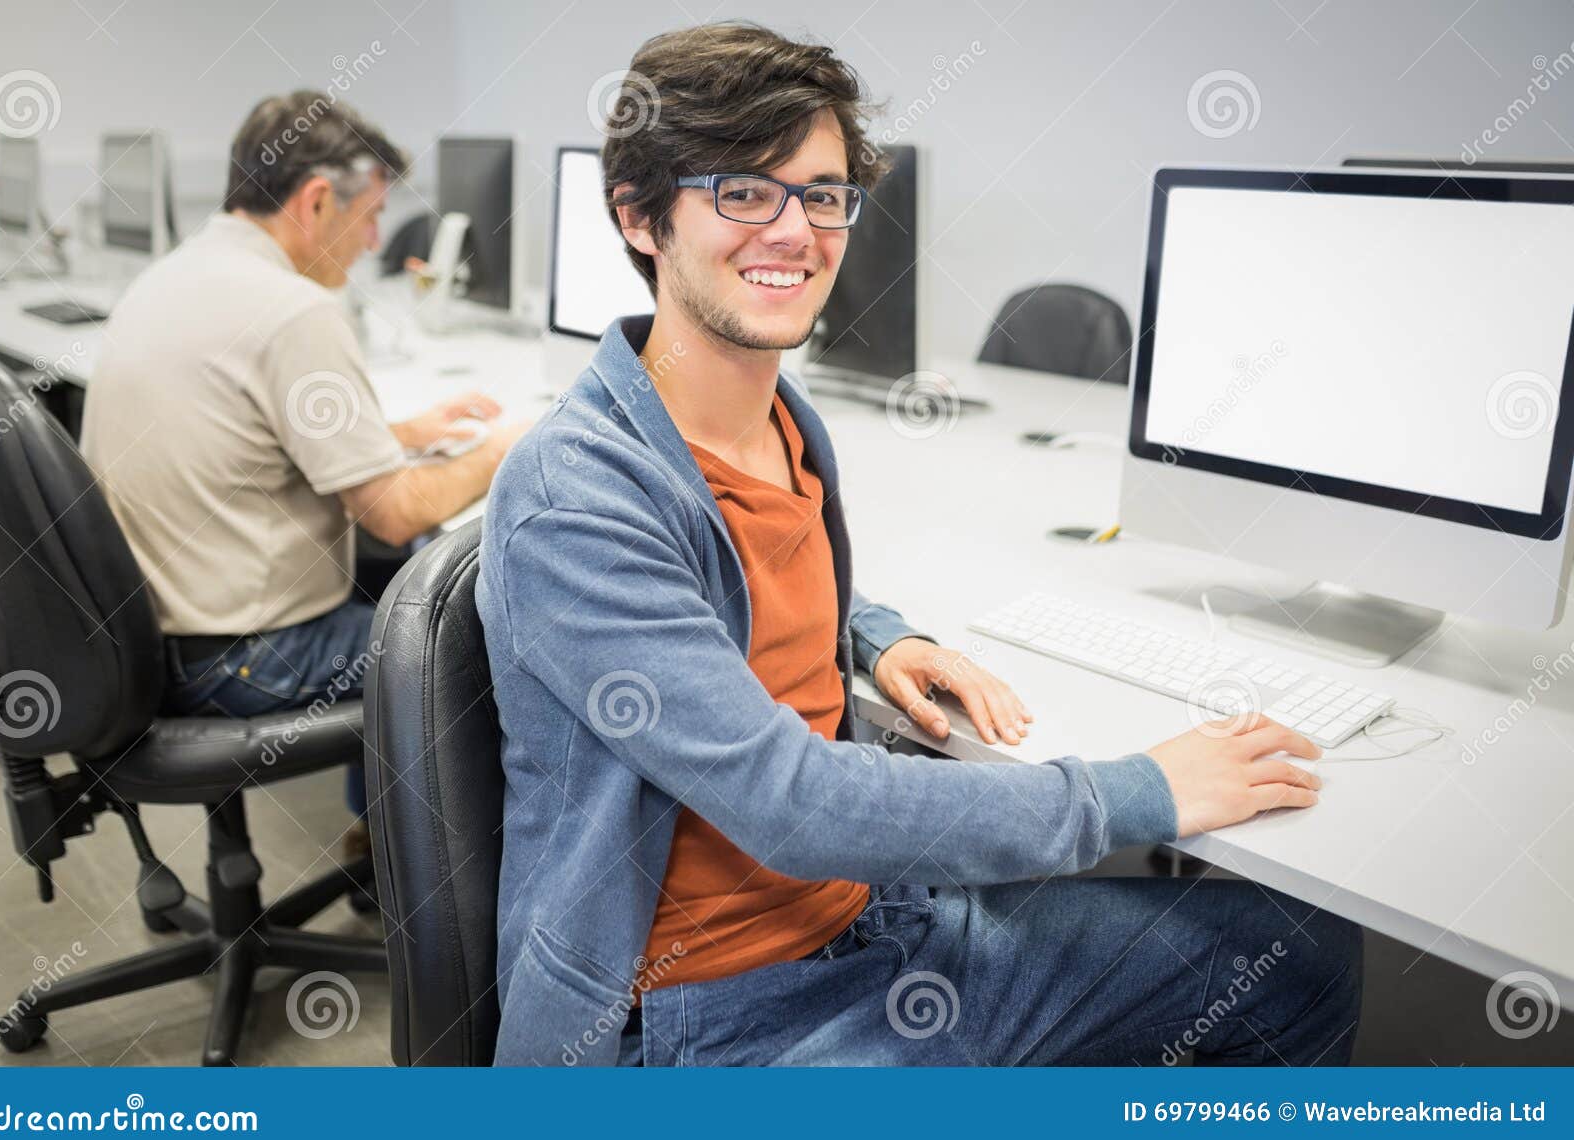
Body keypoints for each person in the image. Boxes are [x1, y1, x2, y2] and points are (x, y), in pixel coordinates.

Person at [476, 22, 1361, 1066]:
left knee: (1298, 957)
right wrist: (1139, 792)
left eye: (820, 192)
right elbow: (792, 804)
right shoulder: (571, 493)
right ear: (640, 219)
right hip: (710, 1024)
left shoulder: (779, 422)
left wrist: (876, 634)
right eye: (742, 192)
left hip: (878, 929)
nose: (795, 229)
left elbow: (722, 586)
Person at [81, 92, 524, 856]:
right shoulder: (291, 310)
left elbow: (242, 431)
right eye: (372, 215)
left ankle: (374, 835)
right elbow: (394, 510)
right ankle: (432, 885)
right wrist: (512, 446)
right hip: (235, 656)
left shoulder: (179, 272)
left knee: (403, 583)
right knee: (479, 632)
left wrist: (397, 433)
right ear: (318, 202)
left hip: (148, 638)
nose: (375, 239)